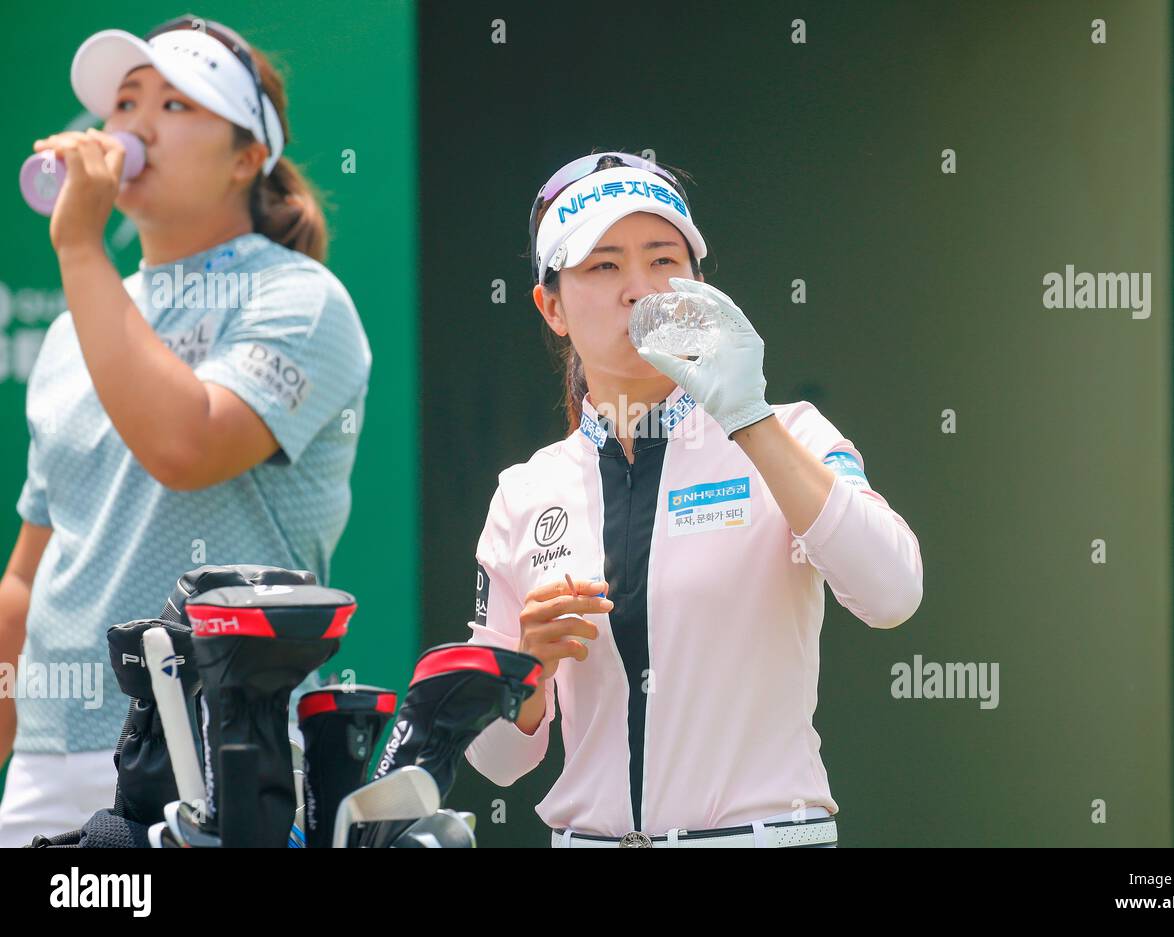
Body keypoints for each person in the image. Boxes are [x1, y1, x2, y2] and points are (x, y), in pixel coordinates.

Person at [463, 152, 924, 847]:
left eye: (663, 260)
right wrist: (528, 667)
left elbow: (893, 592)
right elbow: (494, 762)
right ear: (551, 305)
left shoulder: (788, 433)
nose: (639, 290)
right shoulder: (526, 492)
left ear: (701, 286)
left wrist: (748, 416)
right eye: (604, 265)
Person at [0, 16, 371, 847]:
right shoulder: (73, 330)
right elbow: (29, 575)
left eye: (174, 102)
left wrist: (79, 249)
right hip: (45, 760)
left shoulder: (303, 300)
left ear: (247, 158)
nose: (134, 122)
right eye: (124, 101)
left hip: (219, 750)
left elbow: (186, 446)